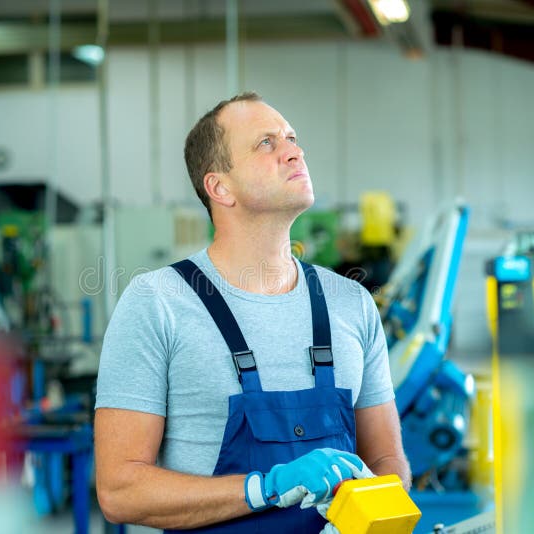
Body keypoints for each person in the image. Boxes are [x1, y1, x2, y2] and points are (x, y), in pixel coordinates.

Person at [94, 92, 410, 533]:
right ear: (220, 187)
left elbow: (386, 460)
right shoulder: (157, 303)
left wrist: (374, 507)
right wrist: (265, 488)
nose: (294, 151)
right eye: (266, 143)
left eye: (292, 138)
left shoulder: (351, 303)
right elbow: (119, 490)